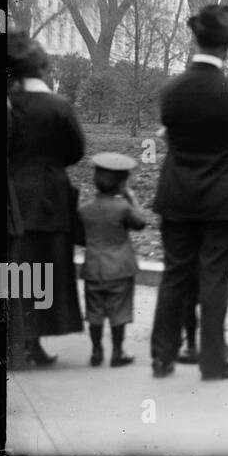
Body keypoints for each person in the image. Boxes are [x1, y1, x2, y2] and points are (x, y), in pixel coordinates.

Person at [149, 5, 228, 380]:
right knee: (215, 276)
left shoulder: (171, 89)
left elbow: (170, 130)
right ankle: (213, 361)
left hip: (178, 194)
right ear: (224, 48)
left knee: (175, 273)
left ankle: (162, 357)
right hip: (224, 198)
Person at [6, 39, 86, 367]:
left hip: (13, 193)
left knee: (17, 269)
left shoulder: (9, 104)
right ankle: (34, 342)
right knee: (45, 269)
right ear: (43, 68)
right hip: (51, 195)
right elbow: (76, 150)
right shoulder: (59, 106)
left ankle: (18, 342)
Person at [79, 153, 148, 368]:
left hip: (93, 267)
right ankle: (118, 352)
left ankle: (96, 351)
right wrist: (132, 199)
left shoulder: (85, 209)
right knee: (119, 311)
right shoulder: (123, 208)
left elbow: (79, 236)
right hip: (120, 268)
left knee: (95, 312)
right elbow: (141, 223)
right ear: (121, 184)